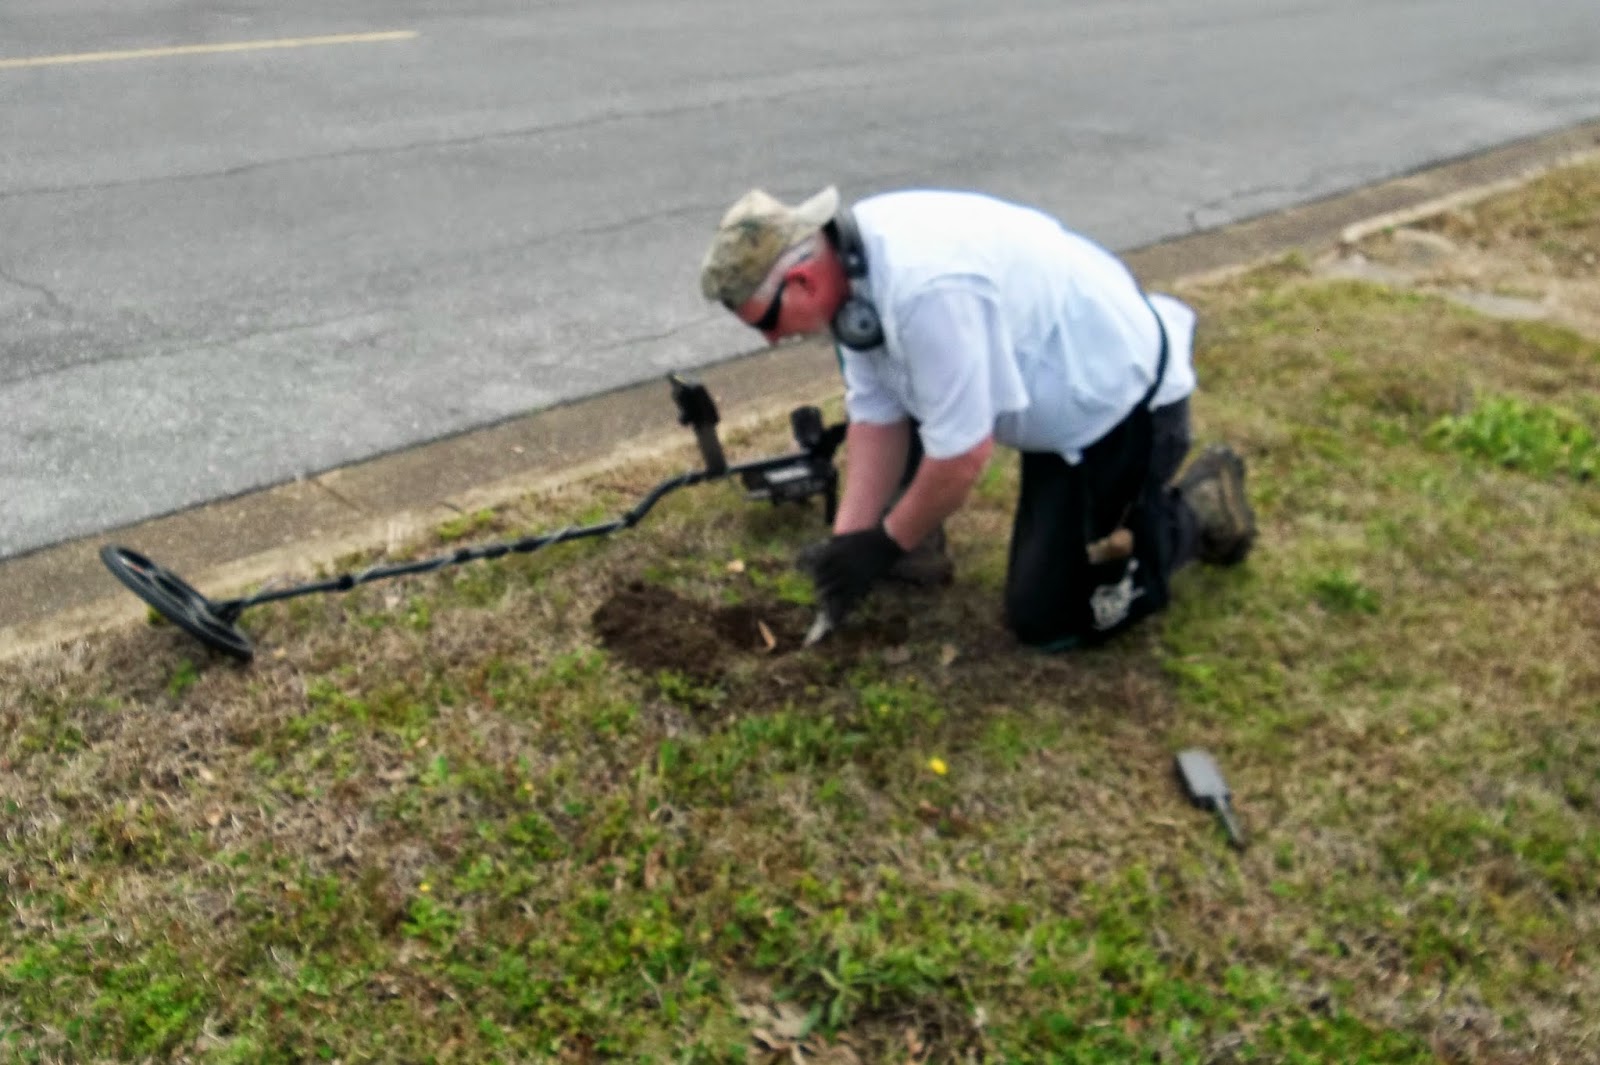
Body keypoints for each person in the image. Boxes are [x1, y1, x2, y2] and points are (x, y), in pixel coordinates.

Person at [698, 185, 1256, 650]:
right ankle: (914, 545)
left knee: (1049, 620)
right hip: (1038, 382)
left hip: (1114, 406)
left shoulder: (926, 289)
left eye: (766, 322)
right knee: (911, 423)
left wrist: (886, 542)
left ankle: (1198, 512)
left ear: (803, 282)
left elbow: (963, 456)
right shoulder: (851, 275)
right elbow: (875, 415)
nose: (771, 339)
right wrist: (851, 541)